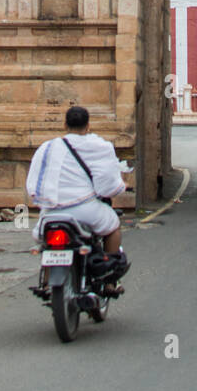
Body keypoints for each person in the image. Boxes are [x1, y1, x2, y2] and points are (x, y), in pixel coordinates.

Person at [26, 106, 130, 281]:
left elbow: (33, 182)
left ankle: (46, 281)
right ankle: (110, 279)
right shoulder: (100, 146)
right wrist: (122, 187)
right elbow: (108, 185)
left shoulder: (48, 147)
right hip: (85, 209)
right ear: (88, 126)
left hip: (53, 210)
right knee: (113, 226)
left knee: (44, 238)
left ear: (65, 125)